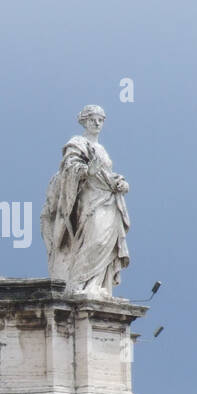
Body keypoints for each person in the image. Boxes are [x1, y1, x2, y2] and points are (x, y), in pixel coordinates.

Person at [40, 104, 130, 295]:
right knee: (93, 240)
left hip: (109, 200)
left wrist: (120, 182)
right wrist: (87, 170)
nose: (97, 123)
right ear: (84, 121)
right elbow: (69, 168)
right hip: (89, 201)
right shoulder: (77, 143)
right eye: (92, 119)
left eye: (100, 120)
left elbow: (108, 174)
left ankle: (96, 286)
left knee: (105, 242)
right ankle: (78, 284)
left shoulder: (102, 149)